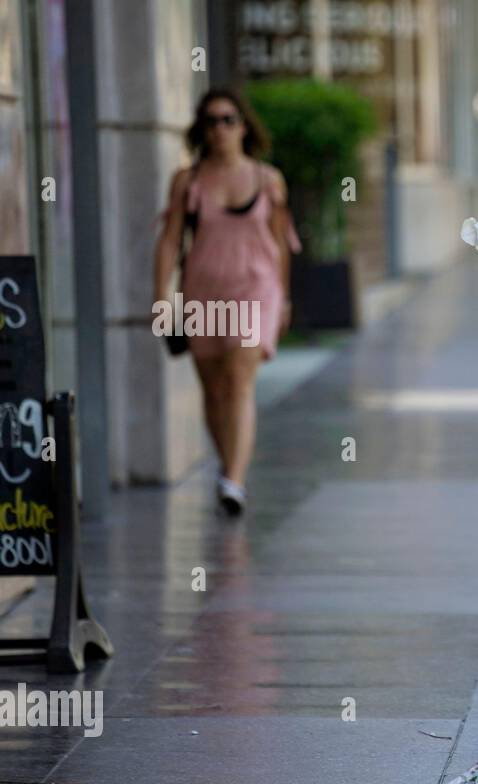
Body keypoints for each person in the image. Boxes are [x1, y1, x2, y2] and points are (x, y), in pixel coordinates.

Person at [153, 89, 297, 516]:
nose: (220, 129)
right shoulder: (188, 181)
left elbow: (281, 242)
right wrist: (161, 295)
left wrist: (285, 298)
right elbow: (169, 241)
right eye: (212, 121)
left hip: (256, 287)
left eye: (229, 119)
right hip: (204, 289)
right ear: (202, 129)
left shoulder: (268, 180)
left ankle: (234, 478)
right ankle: (227, 466)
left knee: (238, 377)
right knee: (214, 388)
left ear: (244, 126)